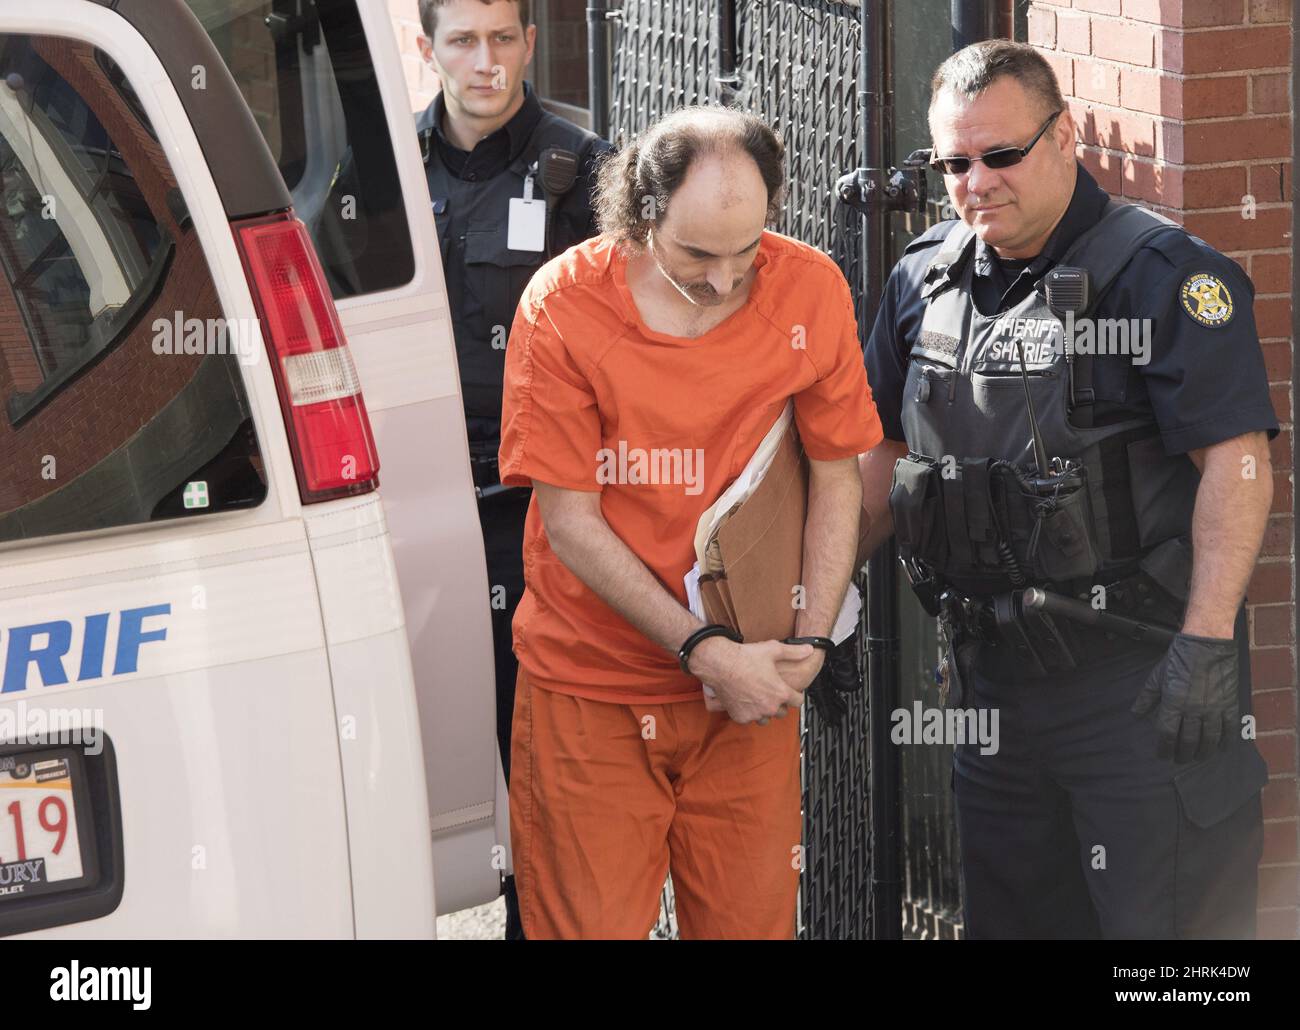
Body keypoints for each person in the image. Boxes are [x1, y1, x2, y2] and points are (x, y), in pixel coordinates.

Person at [857, 40, 1279, 939]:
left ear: (1065, 137)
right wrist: (814, 613)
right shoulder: (922, 278)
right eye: (954, 164)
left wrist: (1205, 646)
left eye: (1001, 155)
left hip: (1139, 688)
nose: (977, 183)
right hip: (989, 689)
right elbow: (872, 458)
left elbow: (1237, 466)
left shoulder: (1166, 277)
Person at [497, 105, 883, 938]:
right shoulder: (563, 306)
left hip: (750, 684)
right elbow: (569, 521)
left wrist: (810, 642)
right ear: (640, 216)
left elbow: (837, 477)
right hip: (592, 690)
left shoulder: (810, 285)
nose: (722, 280)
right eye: (696, 256)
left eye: (746, 253)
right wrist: (705, 651)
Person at [414, 0, 612, 939]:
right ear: (428, 49)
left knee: (531, 743)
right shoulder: (383, 172)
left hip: (533, 508)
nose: (485, 62)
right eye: (463, 40)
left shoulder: (586, 173)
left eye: (503, 39)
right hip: (405, 496)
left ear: (531, 44)